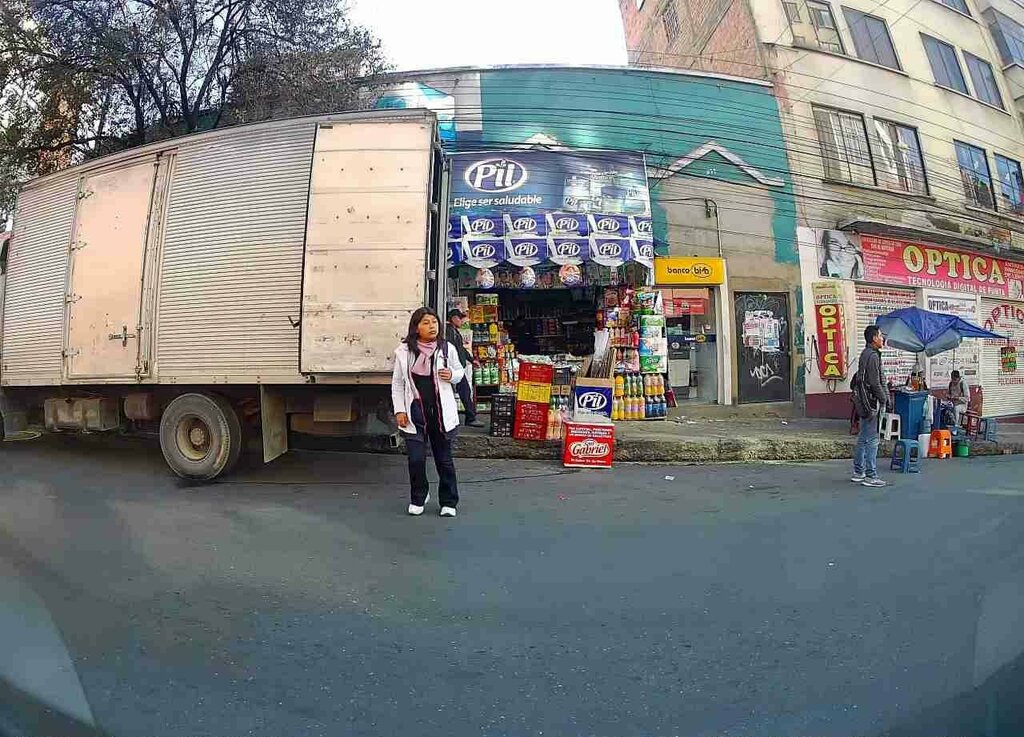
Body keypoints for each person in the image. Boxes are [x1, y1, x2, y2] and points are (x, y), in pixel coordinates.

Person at [391, 307, 465, 518]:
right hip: (415, 412)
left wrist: (451, 374)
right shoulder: (404, 352)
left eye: (434, 322)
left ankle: (449, 501)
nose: (432, 326)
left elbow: (460, 372)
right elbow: (397, 384)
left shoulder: (446, 348)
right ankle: (418, 497)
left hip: (441, 413)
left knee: (444, 459)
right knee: (415, 459)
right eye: (426, 322)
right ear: (416, 327)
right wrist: (399, 410)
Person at [851, 324, 889, 488]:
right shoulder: (873, 356)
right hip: (872, 402)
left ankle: (859, 472)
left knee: (863, 437)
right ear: (874, 338)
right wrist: (885, 399)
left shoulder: (865, 354)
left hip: (864, 402)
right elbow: (875, 382)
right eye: (880, 335)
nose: (882, 338)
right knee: (872, 439)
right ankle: (871, 475)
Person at [446, 309, 482, 427]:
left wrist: (472, 360)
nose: (462, 321)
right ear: (454, 318)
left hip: (457, 369)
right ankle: (470, 418)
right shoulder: (449, 332)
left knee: (464, 392)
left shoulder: (454, 331)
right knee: (465, 392)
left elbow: (461, 349)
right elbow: (452, 351)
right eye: (460, 318)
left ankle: (469, 417)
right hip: (453, 369)